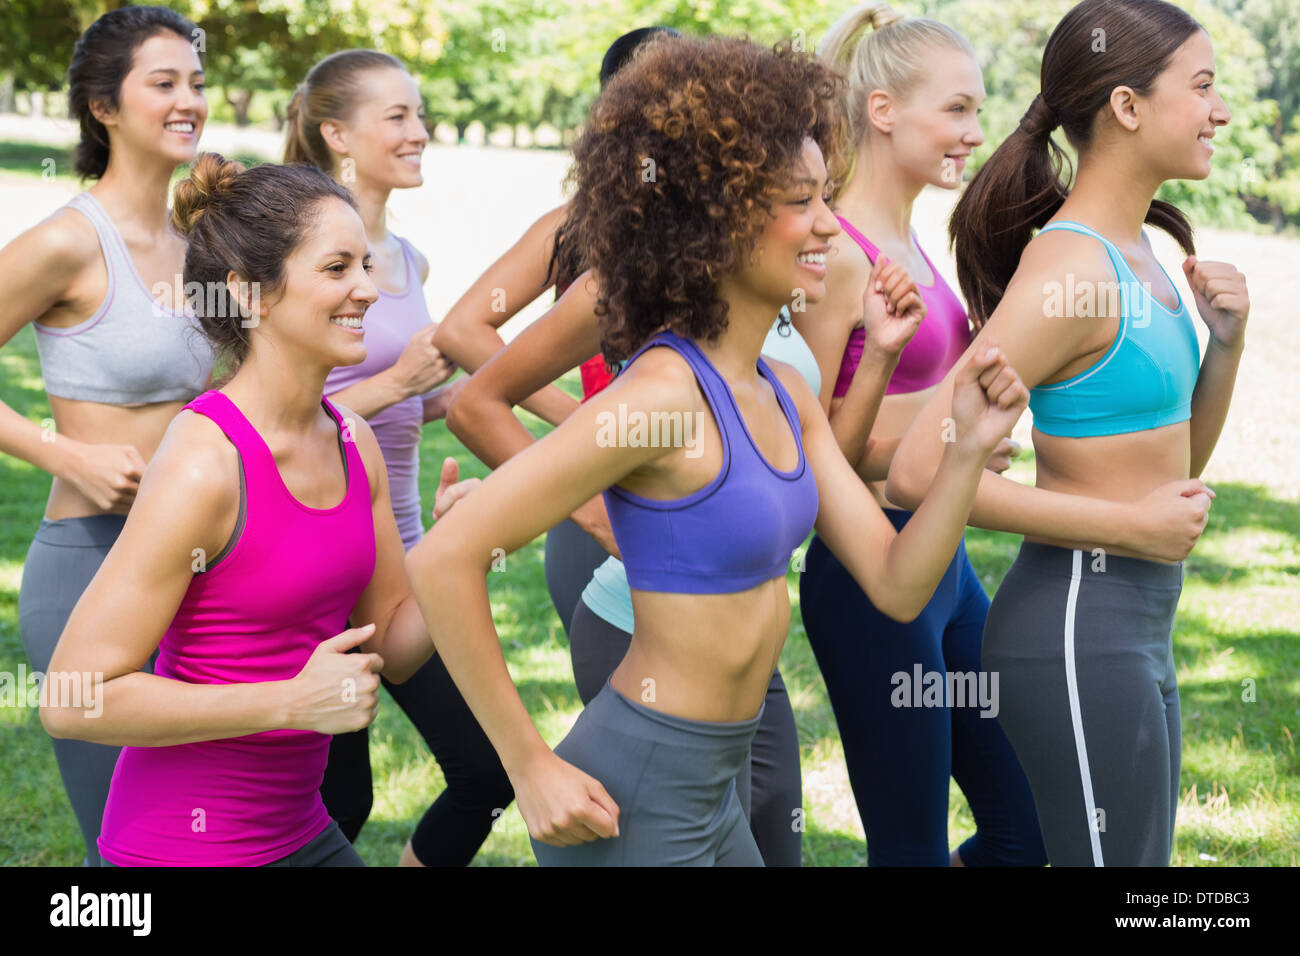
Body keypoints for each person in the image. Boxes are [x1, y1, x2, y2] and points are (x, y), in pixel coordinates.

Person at [407, 34, 1028, 866]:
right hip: (636, 792)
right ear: (719, 217)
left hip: (715, 790)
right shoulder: (663, 396)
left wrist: (964, 451)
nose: (826, 227)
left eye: (825, 199)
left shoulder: (785, 390)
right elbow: (444, 557)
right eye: (801, 202)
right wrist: (529, 767)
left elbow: (895, 582)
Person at [40, 154, 478, 866]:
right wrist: (289, 703)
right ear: (250, 295)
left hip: (301, 833)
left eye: (365, 265)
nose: (367, 290)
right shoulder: (205, 464)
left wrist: (459, 547)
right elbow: (73, 697)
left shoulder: (351, 441)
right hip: (180, 847)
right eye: (337, 269)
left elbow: (394, 647)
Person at [888, 0, 1247, 866]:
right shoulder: (1070, 269)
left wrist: (1226, 348)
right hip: (1076, 623)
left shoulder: (1141, 254)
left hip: (1137, 621)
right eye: (1201, 88)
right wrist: (1129, 529)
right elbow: (913, 470)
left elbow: (1175, 469)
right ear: (1127, 108)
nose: (1221, 110)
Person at [791, 2, 1046, 866]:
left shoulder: (912, 241)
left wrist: (957, 436)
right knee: (911, 852)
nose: (975, 131)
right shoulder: (844, 254)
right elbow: (810, 440)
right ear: (884, 109)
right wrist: (942, 428)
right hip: (871, 575)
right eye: (958, 109)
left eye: (978, 109)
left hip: (944, 565)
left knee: (1023, 829)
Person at [284, 48, 514, 868]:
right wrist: (395, 383)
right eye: (399, 117)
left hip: (407, 552)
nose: (421, 132)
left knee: (486, 773)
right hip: (321, 556)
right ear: (336, 133)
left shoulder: (410, 260)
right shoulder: (297, 255)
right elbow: (263, 425)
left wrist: (498, 394)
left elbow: (423, 404)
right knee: (338, 798)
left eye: (420, 114)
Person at [2, 5, 215, 866]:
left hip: (199, 567)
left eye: (196, 83)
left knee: (201, 828)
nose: (188, 100)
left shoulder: (199, 241)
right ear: (104, 106)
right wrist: (61, 452)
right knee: (127, 850)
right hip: (90, 564)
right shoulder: (66, 241)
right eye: (162, 83)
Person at [434, 26, 682, 638]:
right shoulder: (576, 225)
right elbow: (463, 327)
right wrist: (575, 418)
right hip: (603, 498)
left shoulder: (722, 229)